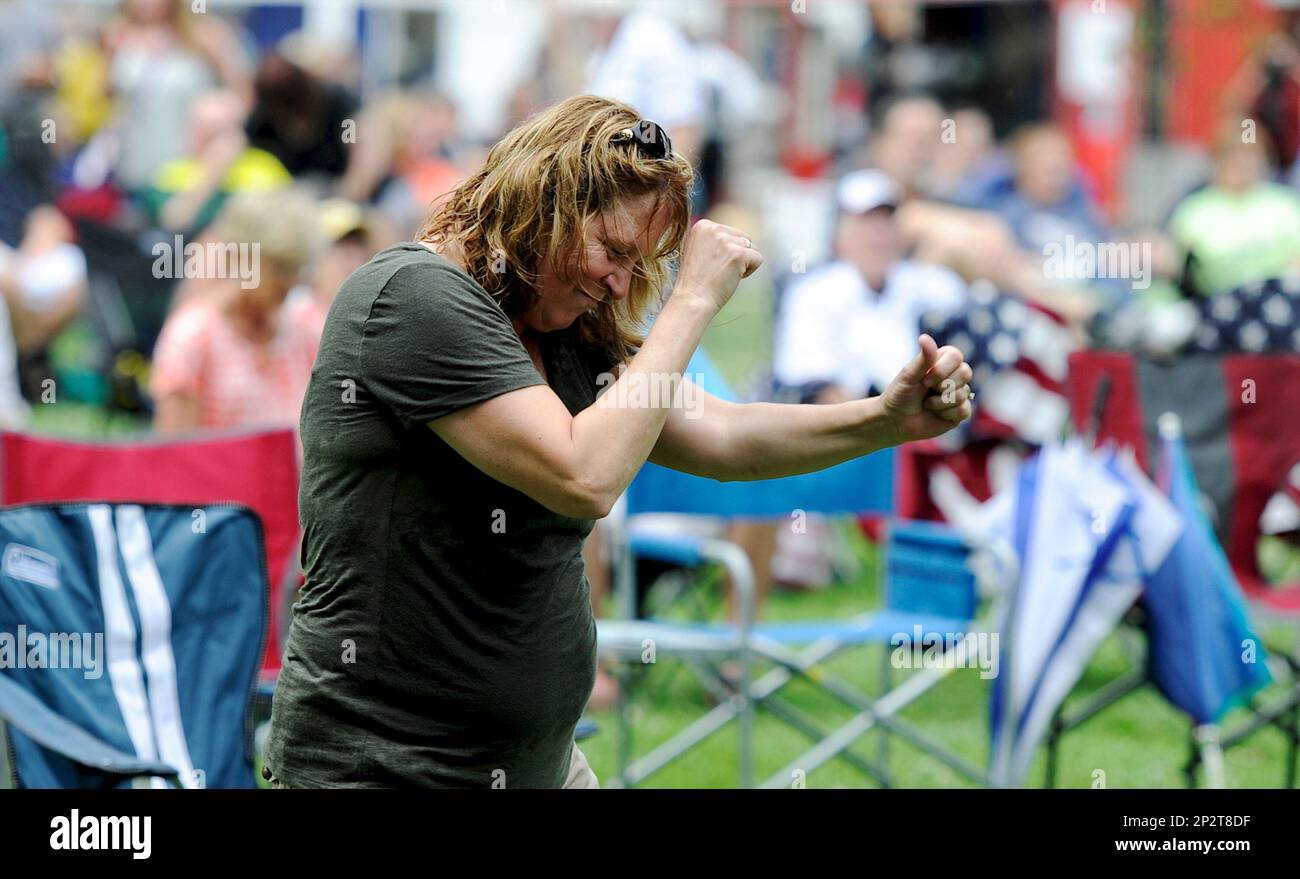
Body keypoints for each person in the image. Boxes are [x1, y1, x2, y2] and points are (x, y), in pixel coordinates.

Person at [264, 95, 973, 789]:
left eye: (641, 265)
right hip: (385, 767)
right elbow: (583, 473)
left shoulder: (558, 329)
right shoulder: (413, 299)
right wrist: (691, 299)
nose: (619, 282)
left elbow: (725, 434)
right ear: (546, 200)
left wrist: (886, 417)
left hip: (538, 762)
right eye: (612, 250)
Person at [149, 190, 321, 434]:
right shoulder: (193, 336)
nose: (290, 281)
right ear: (241, 258)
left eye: (296, 268)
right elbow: (174, 454)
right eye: (280, 268)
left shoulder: (306, 324)